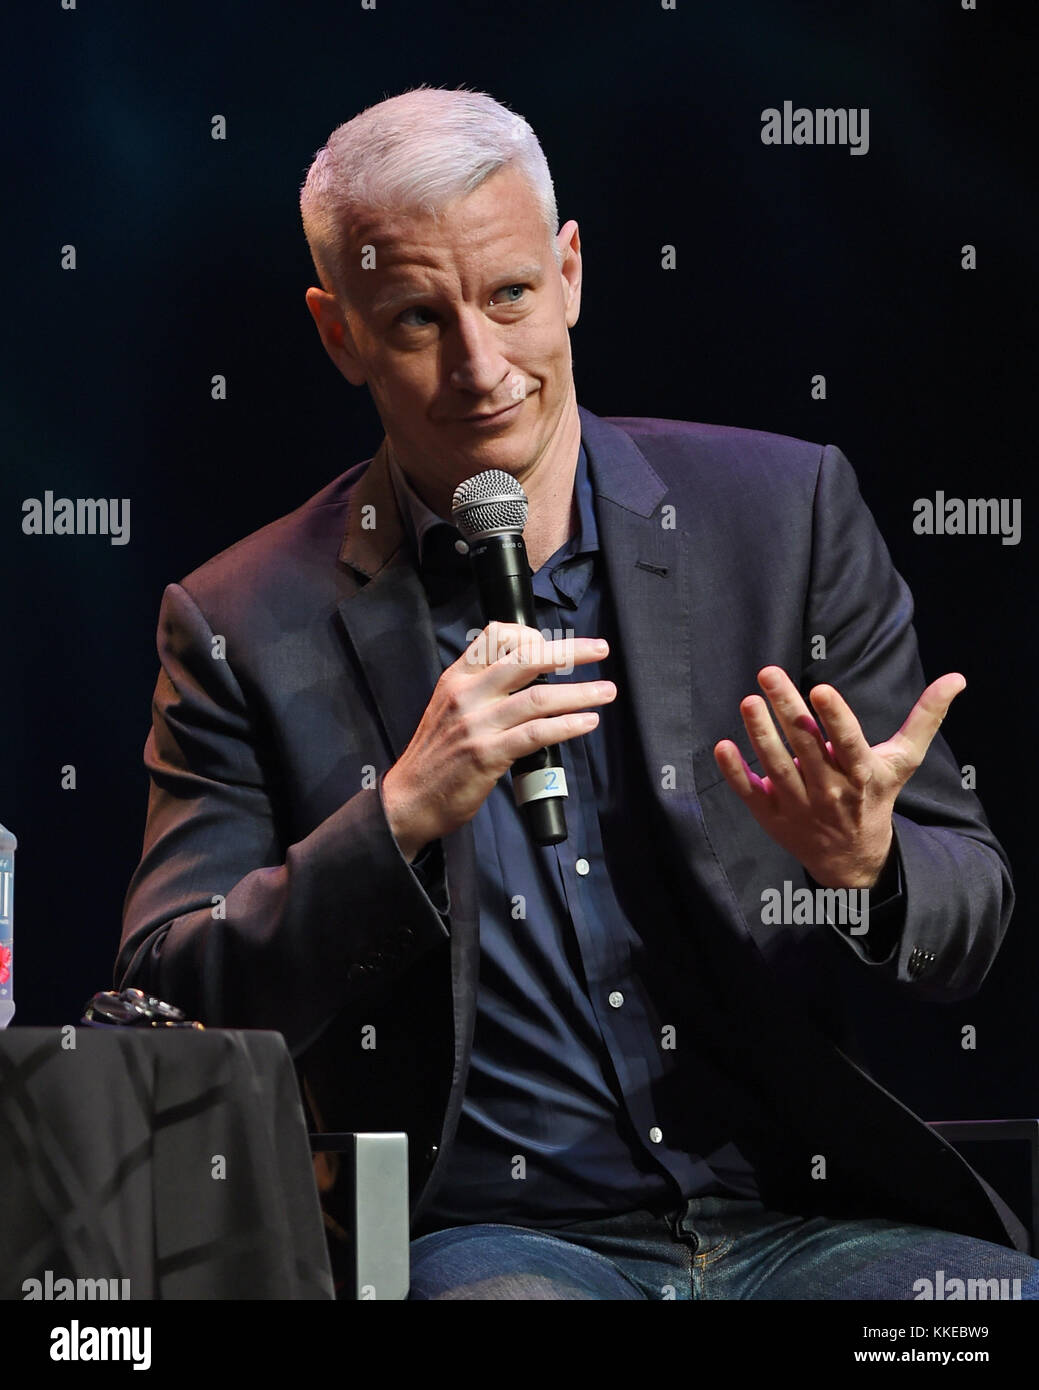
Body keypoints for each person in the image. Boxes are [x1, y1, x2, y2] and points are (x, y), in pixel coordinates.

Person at [116, 86, 1038, 1300]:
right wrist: (394, 818)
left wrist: (869, 869)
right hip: (496, 1243)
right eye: (413, 320)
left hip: (804, 1219)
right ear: (338, 333)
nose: (479, 366)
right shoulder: (239, 620)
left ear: (569, 273)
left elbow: (970, 908)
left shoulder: (783, 515)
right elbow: (168, 995)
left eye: (507, 295)